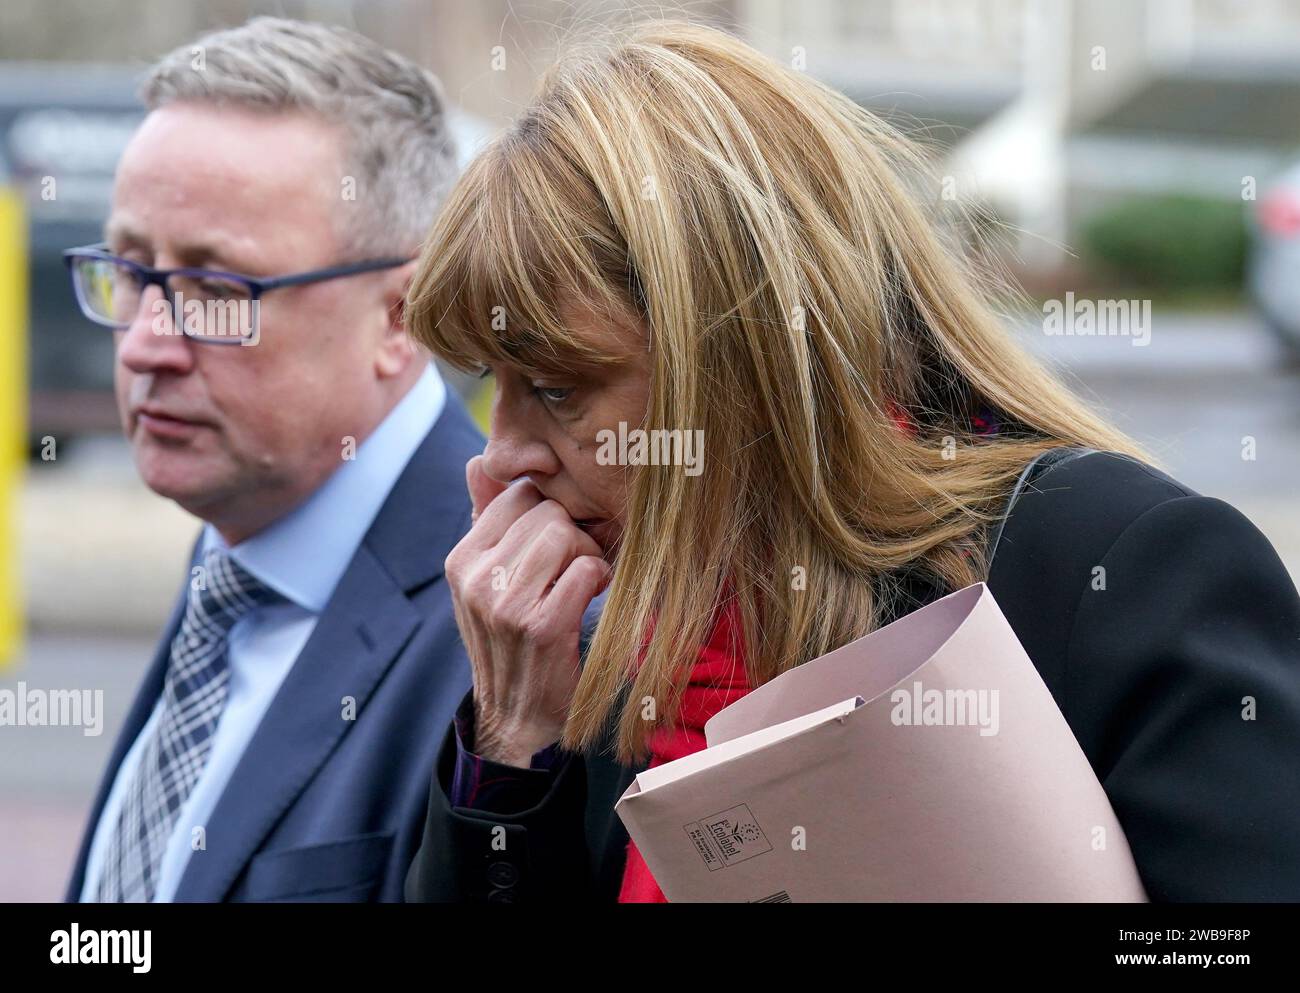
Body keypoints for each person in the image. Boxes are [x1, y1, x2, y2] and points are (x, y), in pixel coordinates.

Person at [401, 20, 1300, 903]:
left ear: (739, 358)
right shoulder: (601, 647)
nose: (501, 454)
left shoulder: (1114, 568)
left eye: (557, 388)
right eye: (492, 382)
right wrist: (513, 747)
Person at [63, 17, 482, 902]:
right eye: (132, 271)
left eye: (217, 291)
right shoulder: (243, 544)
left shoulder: (513, 630)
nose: (145, 344)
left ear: (399, 316)